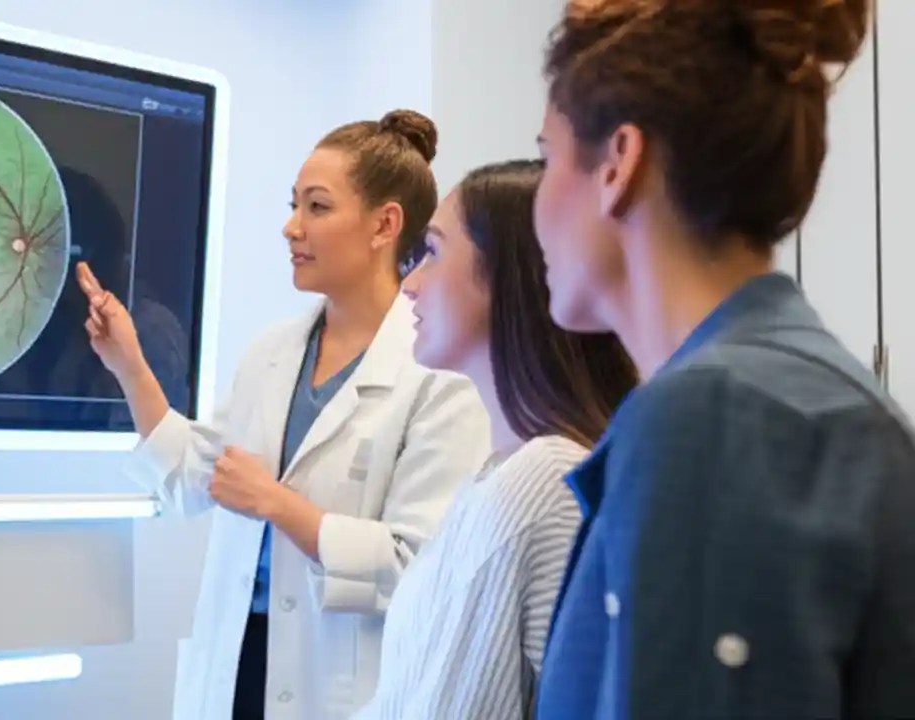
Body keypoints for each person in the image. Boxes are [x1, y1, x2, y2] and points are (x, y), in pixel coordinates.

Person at [531, 1, 915, 718]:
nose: (538, 201)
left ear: (617, 163)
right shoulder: (772, 394)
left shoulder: (717, 415)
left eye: (546, 157)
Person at [78, 109, 490, 719]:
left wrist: (278, 504)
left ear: (384, 224)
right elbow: (195, 477)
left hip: (343, 686)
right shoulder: (274, 352)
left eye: (317, 207)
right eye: (293, 205)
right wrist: (130, 367)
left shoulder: (440, 373)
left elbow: (418, 565)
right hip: (239, 663)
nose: (291, 227)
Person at [353, 160, 636, 720]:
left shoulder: (546, 483)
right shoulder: (500, 476)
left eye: (433, 252)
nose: (409, 284)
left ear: (508, 275)